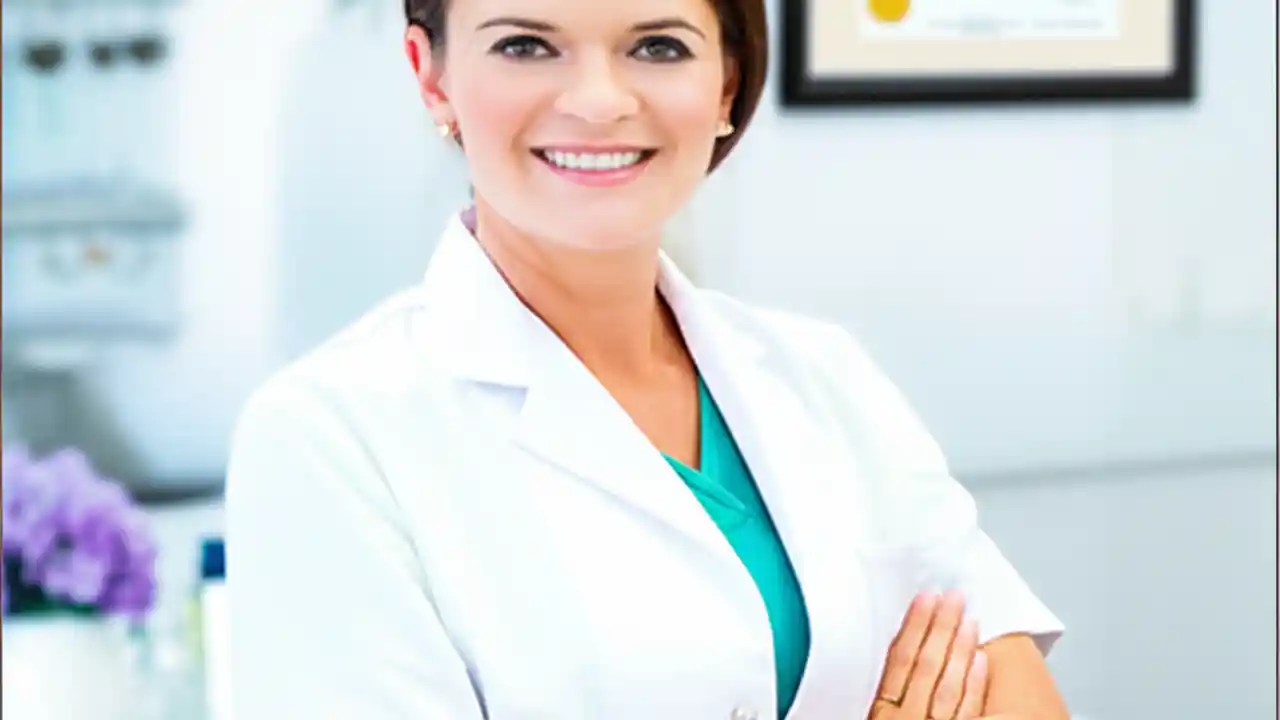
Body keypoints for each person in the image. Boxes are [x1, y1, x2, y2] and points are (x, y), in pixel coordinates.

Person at [225, 0, 1071, 718]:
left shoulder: (825, 378)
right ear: (432, 74)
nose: (598, 101)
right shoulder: (328, 438)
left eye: (657, 46)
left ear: (727, 84)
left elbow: (1018, 694)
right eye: (526, 45)